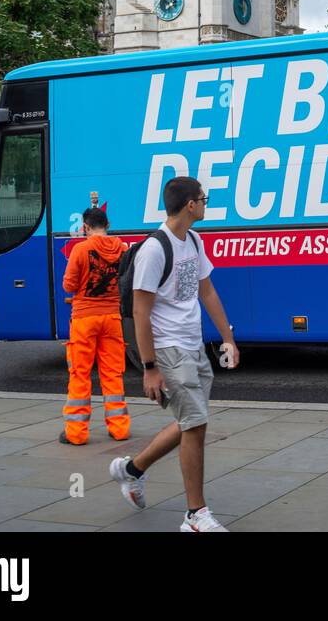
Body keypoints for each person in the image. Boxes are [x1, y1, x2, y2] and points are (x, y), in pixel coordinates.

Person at [108, 176, 238, 533]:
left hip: (193, 346)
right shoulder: (154, 249)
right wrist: (149, 368)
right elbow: (140, 312)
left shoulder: (193, 240)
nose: (206, 202)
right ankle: (195, 515)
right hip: (169, 350)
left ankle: (131, 470)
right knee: (195, 424)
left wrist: (227, 337)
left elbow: (207, 291)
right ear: (190, 205)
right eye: (203, 198)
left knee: (189, 422)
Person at [59, 207, 130, 444]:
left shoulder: (81, 249)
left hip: (84, 318)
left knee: (80, 373)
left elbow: (69, 286)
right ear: (108, 224)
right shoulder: (122, 249)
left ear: (86, 227)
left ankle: (77, 433)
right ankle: (119, 428)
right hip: (112, 318)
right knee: (112, 372)